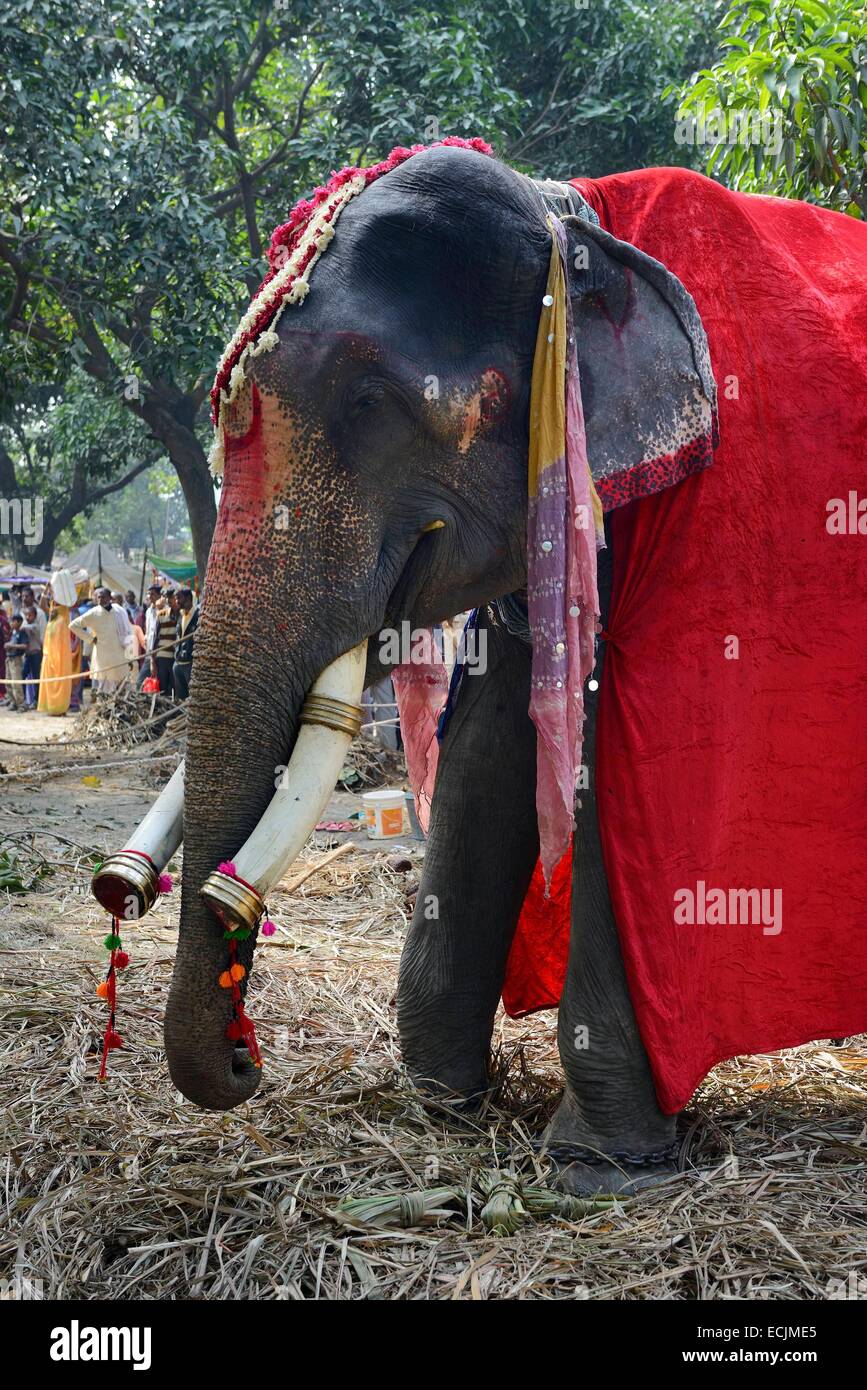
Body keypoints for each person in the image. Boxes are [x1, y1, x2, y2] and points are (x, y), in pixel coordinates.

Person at [69, 587, 130, 694]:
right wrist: (91, 639)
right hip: (103, 658)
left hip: (119, 656)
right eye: (98, 597)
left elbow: (127, 632)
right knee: (105, 692)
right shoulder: (94, 613)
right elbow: (73, 625)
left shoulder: (119, 611)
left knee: (123, 690)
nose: (100, 600)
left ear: (110, 598)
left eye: (103, 597)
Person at [38, 600, 74, 716]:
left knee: (58, 684)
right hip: (48, 659)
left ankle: (59, 709)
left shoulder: (61, 622)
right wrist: (45, 592)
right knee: (49, 685)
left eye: (56, 605)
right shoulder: (51, 620)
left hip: (58, 660)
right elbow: (42, 605)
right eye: (52, 605)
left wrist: (56, 659)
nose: (52, 608)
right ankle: (51, 708)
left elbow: (61, 645)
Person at [147, 589, 176, 695]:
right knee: (163, 689)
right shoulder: (161, 614)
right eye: (166, 597)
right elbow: (155, 639)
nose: (169, 600)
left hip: (175, 657)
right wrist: (152, 661)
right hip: (162, 657)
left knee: (174, 688)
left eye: (171, 597)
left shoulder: (181, 615)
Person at [172, 588, 198, 701]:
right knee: (181, 696)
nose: (176, 601)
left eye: (179, 598)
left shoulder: (198, 615)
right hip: (178, 662)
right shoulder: (180, 615)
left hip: (190, 664)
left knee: (192, 695)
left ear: (188, 598)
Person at [21, 604, 43, 708]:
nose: (27, 617)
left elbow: (25, 627)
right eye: (26, 615)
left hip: (36, 654)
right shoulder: (26, 625)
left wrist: (20, 626)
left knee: (36, 677)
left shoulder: (35, 626)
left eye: (30, 615)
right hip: (28, 655)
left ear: (34, 616)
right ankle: (24, 698)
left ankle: (36, 700)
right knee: (23, 674)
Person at [4, 615, 27, 710]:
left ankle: (21, 704)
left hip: (16, 660)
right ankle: (13, 702)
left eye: (14, 621)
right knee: (8, 682)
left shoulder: (22, 633)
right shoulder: (13, 633)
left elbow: (25, 646)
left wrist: (13, 646)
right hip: (9, 659)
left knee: (16, 683)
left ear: (19, 622)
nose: (11, 623)